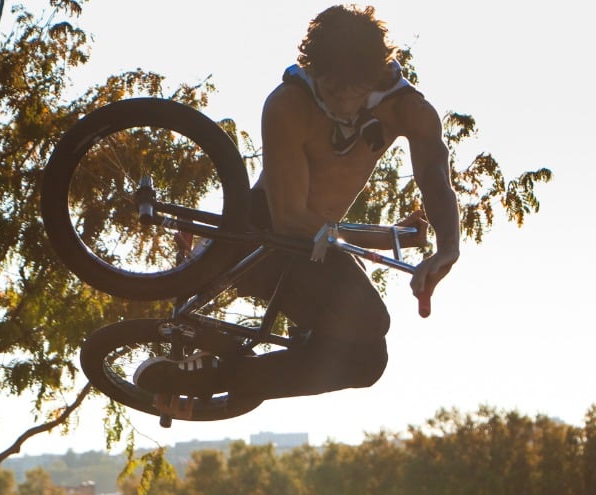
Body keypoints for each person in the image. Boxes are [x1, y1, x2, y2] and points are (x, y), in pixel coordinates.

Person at [133, 5, 459, 411]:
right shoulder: (289, 103)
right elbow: (289, 221)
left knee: (366, 361)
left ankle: (211, 375)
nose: (340, 104)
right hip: (264, 239)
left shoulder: (406, 107)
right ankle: (208, 370)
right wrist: (379, 237)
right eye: (329, 88)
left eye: (351, 92)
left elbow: (433, 173)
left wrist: (448, 248)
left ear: (373, 78)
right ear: (313, 69)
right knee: (373, 322)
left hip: (312, 248)